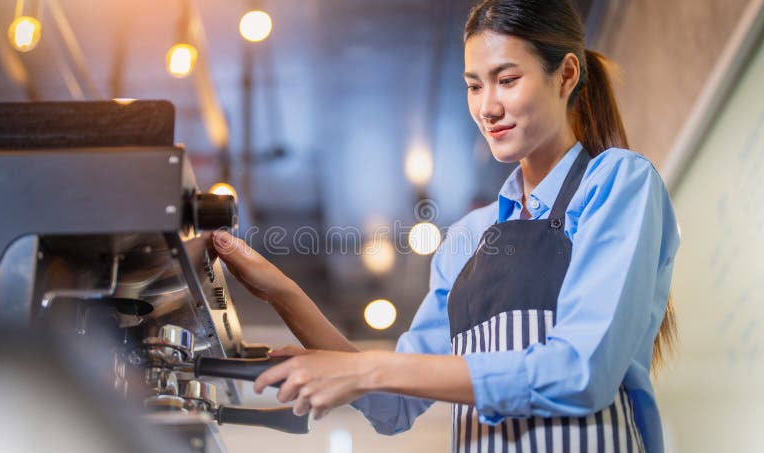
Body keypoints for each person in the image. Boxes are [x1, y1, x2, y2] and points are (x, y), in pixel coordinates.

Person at [211, 0, 680, 451]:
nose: (487, 108)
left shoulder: (616, 182)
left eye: (507, 79)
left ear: (567, 75)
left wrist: (367, 369)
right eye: (475, 86)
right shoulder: (468, 237)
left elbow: (582, 372)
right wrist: (283, 294)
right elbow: (392, 403)